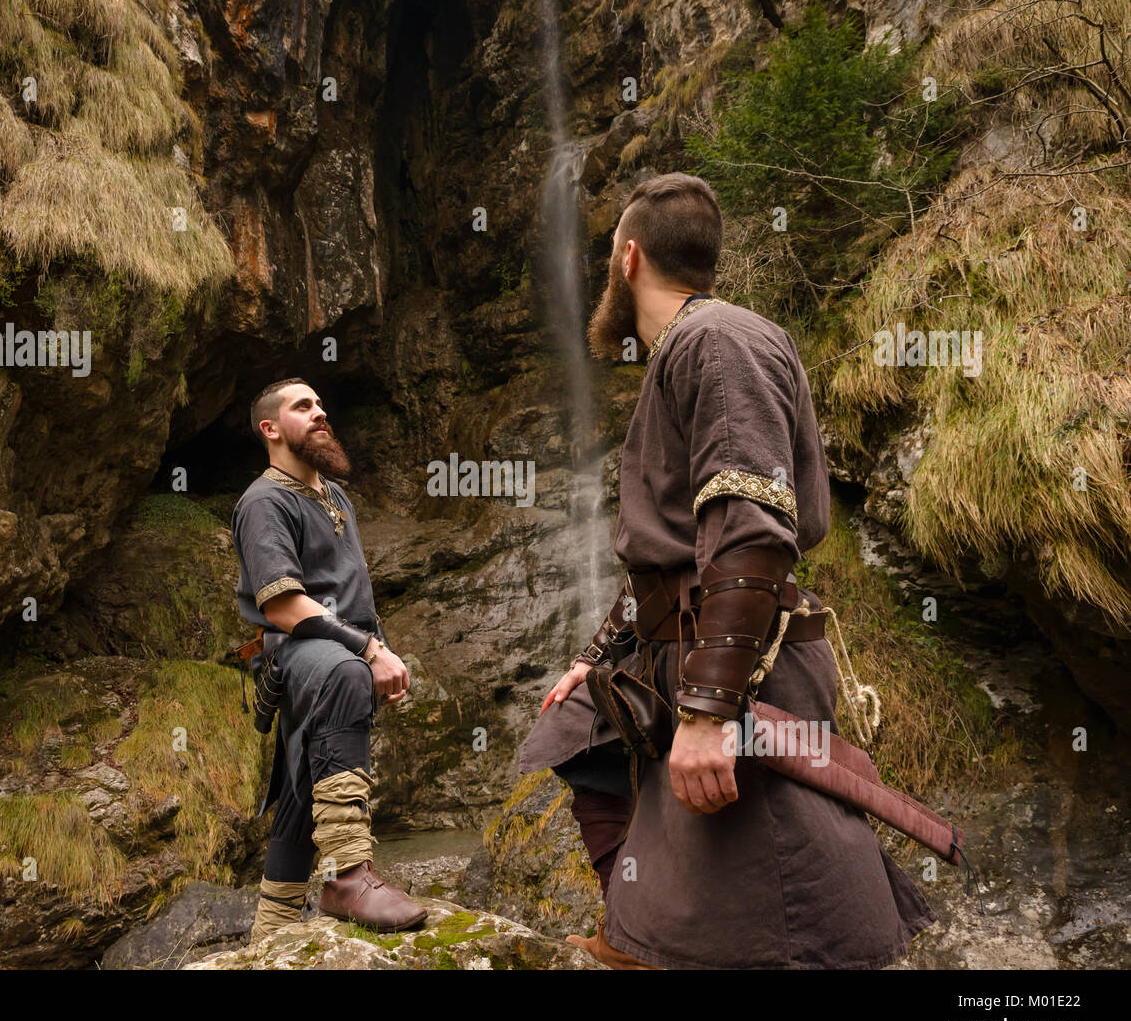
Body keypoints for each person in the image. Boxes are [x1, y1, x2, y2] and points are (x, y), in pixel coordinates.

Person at [519, 173, 935, 969]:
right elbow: (670, 554)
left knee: (789, 901)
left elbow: (752, 530)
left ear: (627, 256)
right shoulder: (694, 346)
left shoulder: (718, 341)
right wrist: (594, 659)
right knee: (580, 735)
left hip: (743, 662)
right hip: (686, 643)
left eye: (612, 251)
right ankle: (634, 933)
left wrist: (710, 711)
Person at [231, 377, 427, 941]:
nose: (320, 412)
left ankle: (270, 933)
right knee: (343, 673)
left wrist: (378, 647)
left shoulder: (336, 496)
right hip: (304, 655)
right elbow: (287, 606)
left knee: (302, 782)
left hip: (339, 650)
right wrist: (368, 653)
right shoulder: (263, 501)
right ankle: (347, 876)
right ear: (270, 429)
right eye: (302, 406)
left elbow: (352, 592)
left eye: (320, 403)